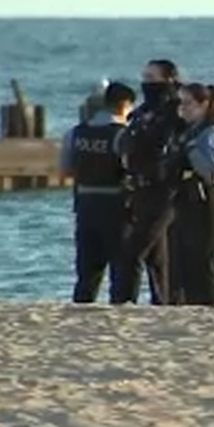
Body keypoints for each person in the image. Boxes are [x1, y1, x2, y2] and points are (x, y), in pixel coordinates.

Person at [110, 59, 186, 305]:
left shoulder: (176, 112)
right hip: (139, 189)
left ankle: (123, 302)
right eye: (145, 78)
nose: (147, 84)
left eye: (153, 79)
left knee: (133, 250)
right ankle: (163, 302)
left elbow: (174, 148)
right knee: (157, 255)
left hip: (164, 191)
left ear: (169, 80)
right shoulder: (143, 112)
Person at [59, 81, 137, 303]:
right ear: (125, 105)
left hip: (85, 203)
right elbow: (132, 168)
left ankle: (82, 309)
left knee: (87, 271)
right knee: (122, 269)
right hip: (117, 205)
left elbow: (65, 170)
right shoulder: (122, 135)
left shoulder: (75, 133)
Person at [169, 83, 214, 306]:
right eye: (180, 103)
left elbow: (213, 172)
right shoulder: (187, 131)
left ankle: (212, 303)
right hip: (188, 200)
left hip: (209, 200)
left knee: (204, 257)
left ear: (204, 105)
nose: (182, 109)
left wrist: (191, 149)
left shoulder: (211, 133)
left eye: (188, 104)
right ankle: (192, 303)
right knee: (185, 256)